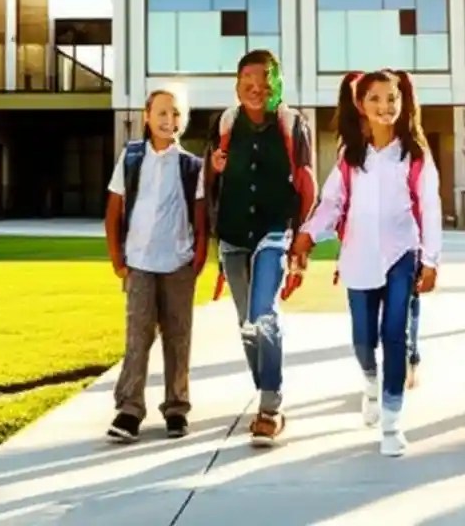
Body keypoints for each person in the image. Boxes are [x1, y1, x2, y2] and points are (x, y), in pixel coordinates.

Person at [292, 70, 442, 457]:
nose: (385, 106)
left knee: (395, 335)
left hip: (401, 255)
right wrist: (308, 234)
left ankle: (392, 422)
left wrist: (430, 260)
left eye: (392, 98)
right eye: (375, 99)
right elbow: (331, 203)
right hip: (359, 257)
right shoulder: (350, 157)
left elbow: (430, 208)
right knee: (363, 339)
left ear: (403, 103)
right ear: (362, 105)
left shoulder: (415, 156)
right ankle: (370, 382)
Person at [205, 50, 316, 447]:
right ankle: (264, 392)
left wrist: (302, 241)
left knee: (263, 312)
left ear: (276, 82)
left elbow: (306, 183)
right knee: (246, 323)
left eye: (264, 78)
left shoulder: (291, 124)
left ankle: (271, 404)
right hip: (234, 234)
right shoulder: (224, 124)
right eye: (248, 79)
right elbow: (209, 184)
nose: (256, 87)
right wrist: (214, 167)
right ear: (237, 84)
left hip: (274, 230)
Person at [104, 88, 207, 443]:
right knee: (138, 336)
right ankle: (129, 409)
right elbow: (114, 210)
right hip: (140, 264)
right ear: (147, 116)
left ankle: (176, 408)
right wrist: (119, 261)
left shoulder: (192, 166)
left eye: (176, 114)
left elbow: (200, 217)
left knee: (178, 338)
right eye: (162, 113)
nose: (169, 120)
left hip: (178, 263)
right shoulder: (131, 158)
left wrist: (198, 259)